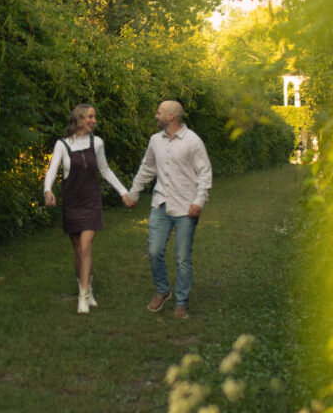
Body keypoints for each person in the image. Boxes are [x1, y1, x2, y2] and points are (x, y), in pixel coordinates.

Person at [126, 99, 212, 319]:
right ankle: (162, 290)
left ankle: (181, 302)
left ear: (171, 117)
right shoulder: (155, 140)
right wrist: (134, 193)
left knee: (182, 258)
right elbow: (147, 168)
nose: (156, 116)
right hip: (160, 204)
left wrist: (199, 201)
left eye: (159, 113)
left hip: (186, 208)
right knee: (154, 251)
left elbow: (205, 173)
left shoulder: (193, 141)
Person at [43, 104, 132, 315]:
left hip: (92, 202)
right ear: (80, 118)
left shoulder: (97, 143)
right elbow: (52, 169)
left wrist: (123, 192)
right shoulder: (62, 144)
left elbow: (105, 170)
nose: (94, 120)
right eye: (90, 117)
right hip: (72, 203)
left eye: (94, 117)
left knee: (85, 247)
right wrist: (47, 190)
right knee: (78, 251)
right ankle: (87, 286)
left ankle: (82, 296)